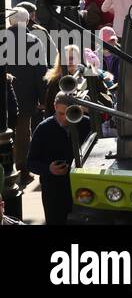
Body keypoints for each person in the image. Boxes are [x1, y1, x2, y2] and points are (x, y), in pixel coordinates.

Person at [26, 92, 77, 224]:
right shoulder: (43, 129)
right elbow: (30, 162)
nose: (65, 118)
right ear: (55, 107)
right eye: (61, 113)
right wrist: (49, 169)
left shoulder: (84, 124)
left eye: (68, 113)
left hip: (80, 189)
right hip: (54, 191)